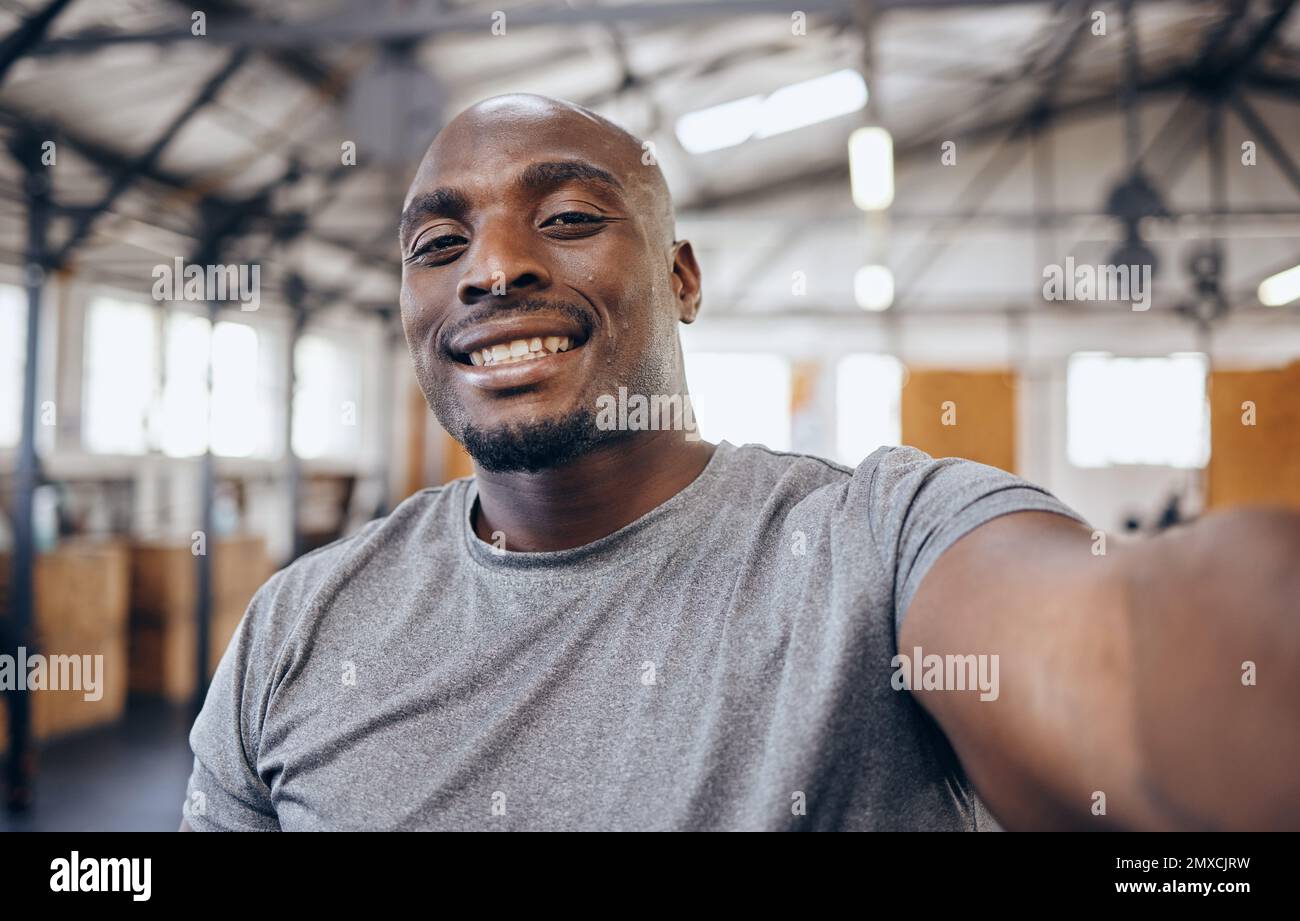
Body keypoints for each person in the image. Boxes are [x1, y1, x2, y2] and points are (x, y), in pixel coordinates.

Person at [182, 94, 1300, 831]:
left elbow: (1113, 650)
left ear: (681, 279)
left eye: (568, 218)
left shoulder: (879, 545)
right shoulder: (297, 631)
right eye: (439, 245)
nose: (495, 269)